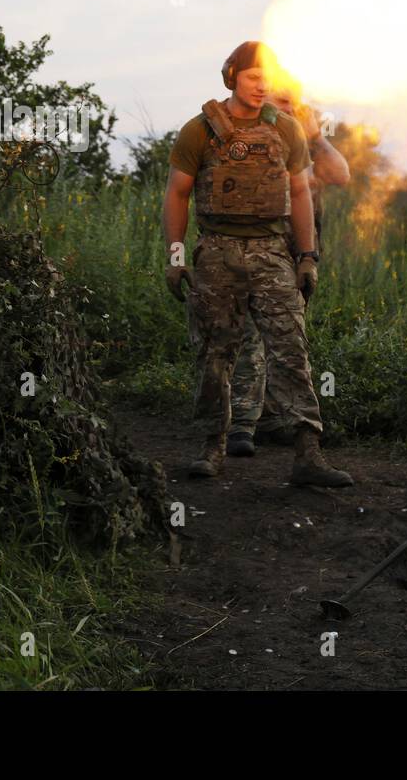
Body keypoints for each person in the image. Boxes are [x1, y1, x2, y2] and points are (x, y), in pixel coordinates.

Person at [160, 40, 353, 486]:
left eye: (267, 77)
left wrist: (307, 256)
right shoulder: (199, 130)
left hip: (272, 253)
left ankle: (307, 454)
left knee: (291, 352)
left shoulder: (286, 129)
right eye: (252, 77)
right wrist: (176, 256)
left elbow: (302, 193)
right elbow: (177, 194)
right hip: (218, 252)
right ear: (231, 77)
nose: (261, 86)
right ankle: (213, 447)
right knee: (214, 355)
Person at [227, 84, 349, 454]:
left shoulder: (303, 139)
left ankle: (273, 418)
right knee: (250, 338)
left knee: (286, 341)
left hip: (300, 255)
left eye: (294, 101)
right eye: (282, 100)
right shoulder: (249, 135)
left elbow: (339, 174)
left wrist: (314, 135)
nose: (291, 106)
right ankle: (240, 426)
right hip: (259, 251)